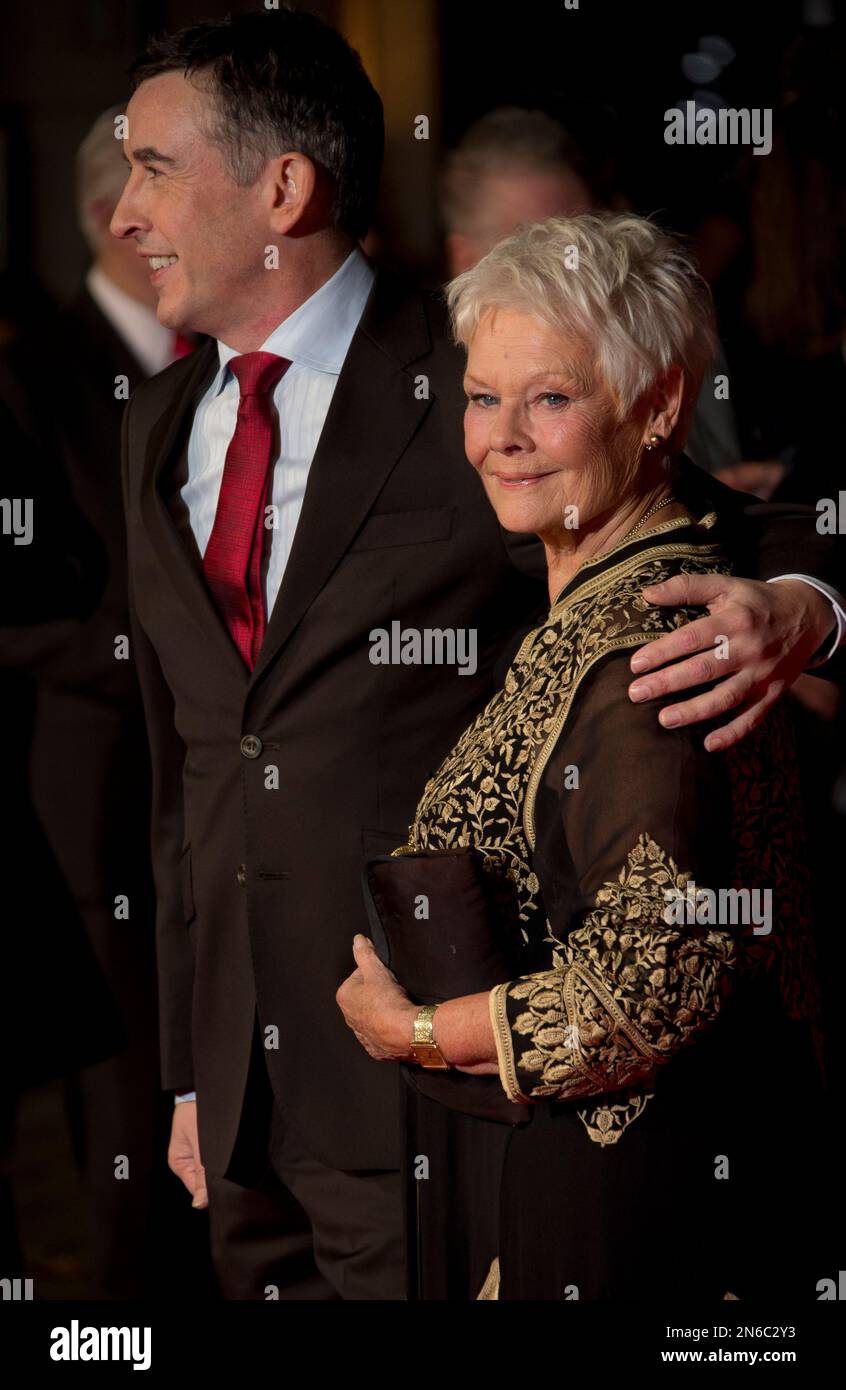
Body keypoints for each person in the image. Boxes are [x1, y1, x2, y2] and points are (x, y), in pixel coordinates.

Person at [117, 9, 843, 1301]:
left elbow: (710, 525)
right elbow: (191, 771)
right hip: (241, 1096)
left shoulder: (461, 358)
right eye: (492, 406)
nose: (125, 214)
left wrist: (800, 600)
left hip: (450, 1122)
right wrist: (190, 1068)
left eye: (154, 167)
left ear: (279, 187)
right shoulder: (158, 425)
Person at [337, 213, 835, 1300]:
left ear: (659, 407)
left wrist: (415, 1028)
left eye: (550, 398)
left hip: (640, 1200)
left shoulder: (651, 652)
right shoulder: (591, 594)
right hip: (589, 1172)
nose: (500, 436)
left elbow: (655, 978)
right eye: (482, 396)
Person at [0, 106, 206, 1299]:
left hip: (222, 786)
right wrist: (167, 656)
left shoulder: (217, 360)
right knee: (128, 1102)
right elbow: (19, 603)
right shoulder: (27, 376)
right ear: (104, 215)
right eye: (158, 190)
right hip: (95, 789)